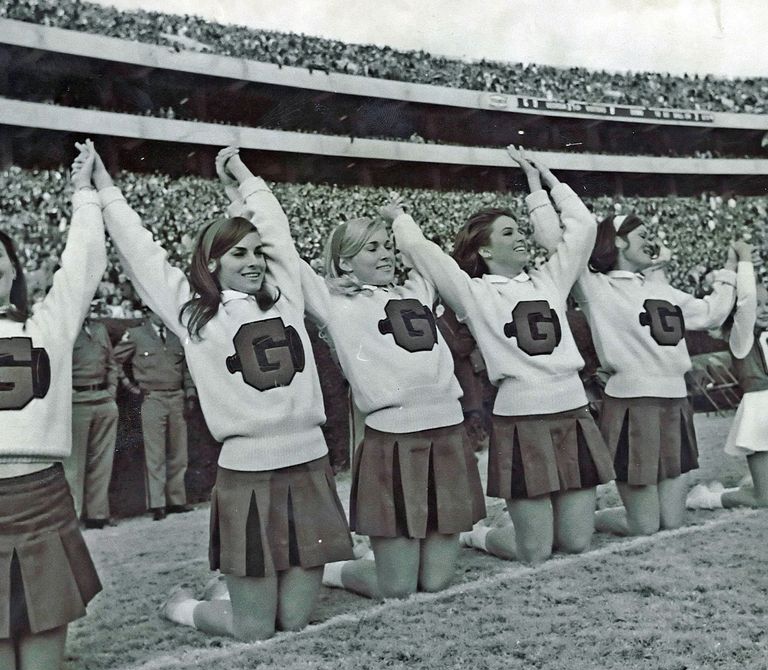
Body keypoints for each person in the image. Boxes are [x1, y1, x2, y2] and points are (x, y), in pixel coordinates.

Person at [91, 147, 353, 641]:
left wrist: (244, 177)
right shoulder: (196, 318)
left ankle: (230, 589)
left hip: (309, 463)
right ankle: (183, 607)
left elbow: (275, 227)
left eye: (257, 253)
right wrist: (107, 193)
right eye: (240, 254)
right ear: (213, 262)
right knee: (256, 629)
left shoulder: (286, 298)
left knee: (294, 620)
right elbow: (143, 254)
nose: (254, 261)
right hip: (248, 471)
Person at [216, 147, 484, 599]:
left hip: (447, 433)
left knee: (436, 582)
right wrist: (241, 193)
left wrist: (400, 222)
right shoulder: (330, 302)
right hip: (393, 439)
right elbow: (281, 254)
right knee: (398, 586)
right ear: (343, 262)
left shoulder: (418, 285)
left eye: (387, 248)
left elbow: (429, 258)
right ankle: (333, 571)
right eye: (372, 248)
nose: (386, 255)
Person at [389, 146, 615, 564]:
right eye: (509, 233)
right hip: (522, 416)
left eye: (520, 229)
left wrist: (541, 184)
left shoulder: (550, 280)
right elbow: (428, 256)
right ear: (487, 251)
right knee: (535, 552)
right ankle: (482, 537)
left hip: (573, 410)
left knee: (578, 542)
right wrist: (401, 219)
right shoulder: (473, 295)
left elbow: (582, 227)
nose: (521, 237)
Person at [0, 141, 104, 670]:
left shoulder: (48, 325)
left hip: (40, 495)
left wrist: (84, 194)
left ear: (13, 269)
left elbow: (83, 264)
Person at [571, 211, 737, 536]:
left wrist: (730, 269)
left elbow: (712, 313)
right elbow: (565, 238)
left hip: (675, 403)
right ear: (618, 241)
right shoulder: (595, 286)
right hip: (632, 403)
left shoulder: (663, 289)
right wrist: (542, 187)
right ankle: (575, 521)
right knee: (644, 525)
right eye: (643, 235)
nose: (653, 242)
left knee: (672, 521)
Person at [686, 242, 768, 509]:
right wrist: (745, 260)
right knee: (764, 498)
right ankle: (707, 498)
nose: (764, 309)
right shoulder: (742, 338)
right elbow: (746, 302)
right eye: (760, 305)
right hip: (759, 411)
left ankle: (750, 481)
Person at [114, 308, 196, 520]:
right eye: (155, 309)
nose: (161, 312)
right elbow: (114, 361)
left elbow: (187, 367)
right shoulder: (136, 334)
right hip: (152, 397)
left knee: (179, 452)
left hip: (176, 396)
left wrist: (189, 393)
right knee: (155, 453)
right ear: (148, 312)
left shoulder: (176, 334)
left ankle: (177, 501)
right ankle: (157, 504)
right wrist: (131, 387)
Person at [62, 310, 119, 529]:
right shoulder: (65, 328)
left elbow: (112, 363)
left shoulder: (99, 328)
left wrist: (112, 390)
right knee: (74, 465)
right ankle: (73, 518)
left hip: (103, 399)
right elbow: (55, 364)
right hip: (77, 401)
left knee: (102, 461)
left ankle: (98, 515)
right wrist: (69, 393)